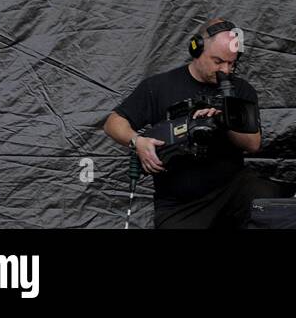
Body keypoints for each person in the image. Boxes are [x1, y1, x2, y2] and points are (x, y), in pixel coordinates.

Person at [103, 17, 277, 228]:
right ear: (196, 50)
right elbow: (113, 123)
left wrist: (223, 120)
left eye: (231, 63)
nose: (225, 70)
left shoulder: (240, 89)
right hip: (179, 203)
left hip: (231, 189)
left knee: (273, 203)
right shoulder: (159, 86)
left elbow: (252, 144)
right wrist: (137, 142)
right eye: (218, 61)